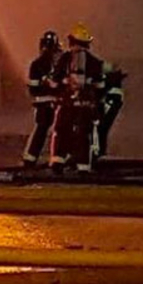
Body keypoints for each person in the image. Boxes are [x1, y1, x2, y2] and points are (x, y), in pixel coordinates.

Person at [54, 22, 106, 174]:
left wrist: (63, 86)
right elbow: (100, 86)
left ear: (71, 41)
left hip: (67, 103)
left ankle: (58, 162)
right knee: (83, 133)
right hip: (85, 105)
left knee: (62, 131)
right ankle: (83, 166)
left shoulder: (64, 59)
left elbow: (54, 81)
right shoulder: (95, 62)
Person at [21, 31, 66, 167]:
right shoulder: (59, 64)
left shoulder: (36, 64)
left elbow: (32, 88)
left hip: (43, 103)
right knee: (61, 131)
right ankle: (61, 158)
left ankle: (30, 158)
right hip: (56, 102)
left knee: (41, 130)